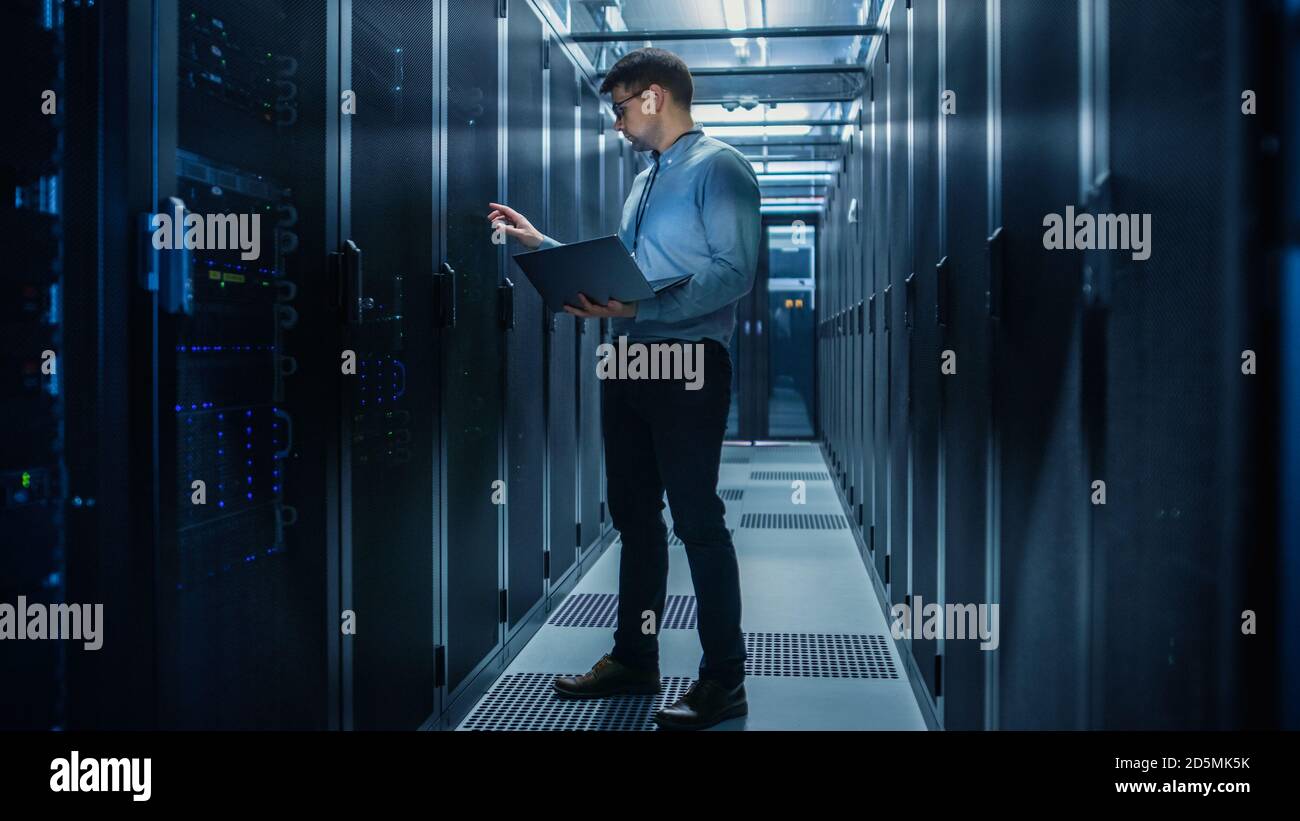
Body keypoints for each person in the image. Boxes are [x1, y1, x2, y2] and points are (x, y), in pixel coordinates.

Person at [485, 46, 760, 730]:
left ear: (654, 97)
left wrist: (644, 311)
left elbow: (736, 273)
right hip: (629, 362)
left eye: (619, 106)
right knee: (635, 518)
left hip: (690, 365)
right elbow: (631, 273)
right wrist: (542, 245)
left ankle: (724, 678)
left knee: (697, 519)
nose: (615, 121)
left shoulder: (720, 167)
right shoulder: (644, 180)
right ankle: (635, 656)